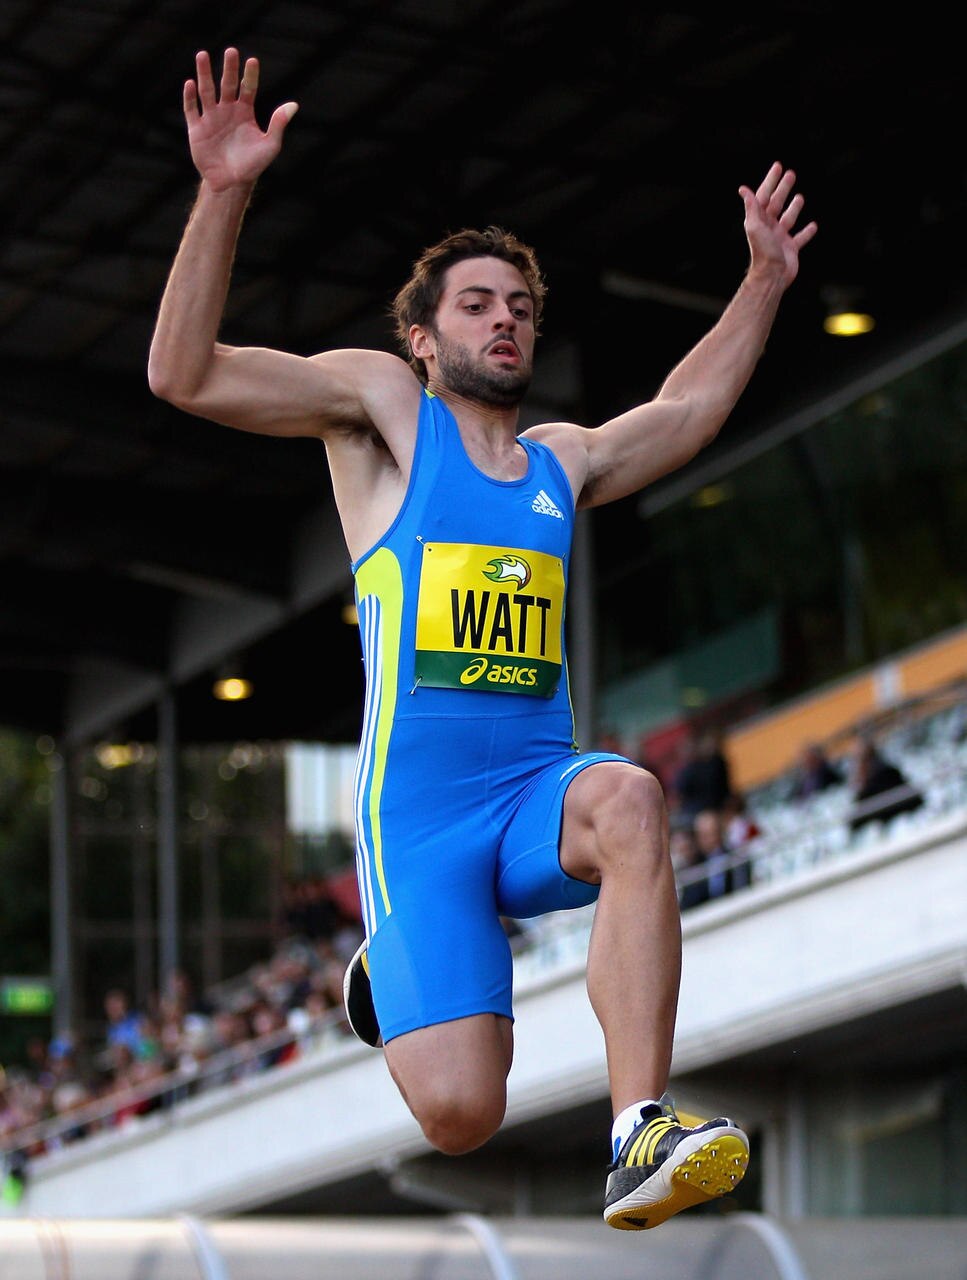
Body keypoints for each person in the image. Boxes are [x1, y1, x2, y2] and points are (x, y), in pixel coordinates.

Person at [147, 47, 817, 1231]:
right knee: (461, 1113)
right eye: (476, 304)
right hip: (419, 819)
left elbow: (687, 409)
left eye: (519, 307)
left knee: (633, 798)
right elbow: (182, 371)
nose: (504, 319)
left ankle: (638, 1130)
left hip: (531, 795)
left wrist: (762, 282)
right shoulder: (383, 416)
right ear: (420, 336)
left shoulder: (562, 461)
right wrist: (223, 192)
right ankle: (392, 959)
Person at [848, 736, 924, 834]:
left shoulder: (877, 785)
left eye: (858, 761)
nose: (856, 768)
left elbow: (855, 824)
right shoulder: (892, 774)